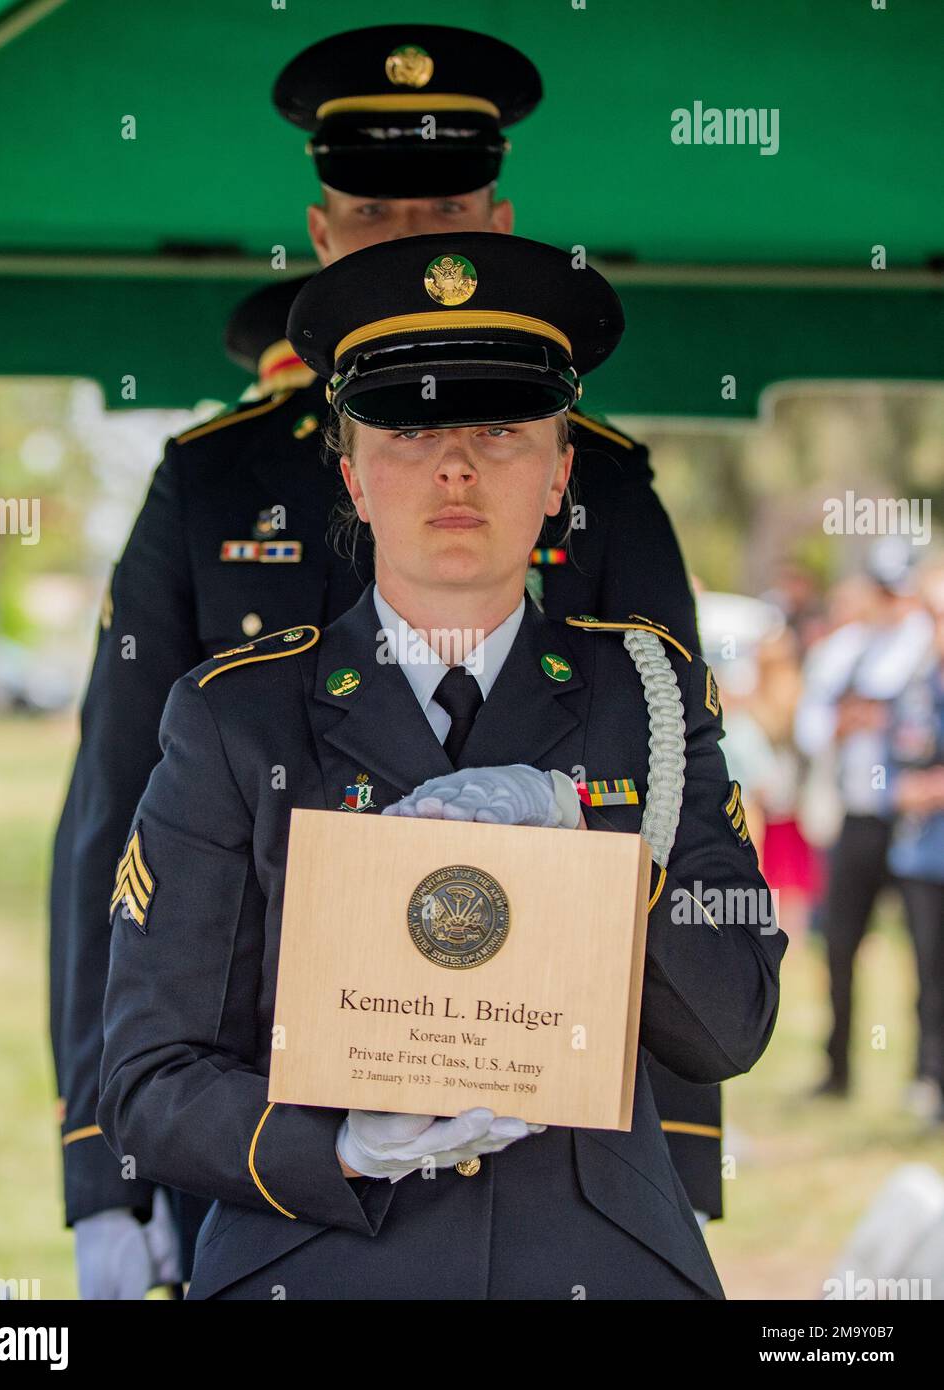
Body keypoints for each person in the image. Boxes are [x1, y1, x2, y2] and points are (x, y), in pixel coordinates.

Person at [53, 23, 709, 1299]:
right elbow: (114, 826)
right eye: (375, 208)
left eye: (448, 205)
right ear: (319, 227)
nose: (415, 236)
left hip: (565, 1151)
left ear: (498, 213)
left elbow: (679, 800)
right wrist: (103, 1167)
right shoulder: (211, 479)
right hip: (280, 1137)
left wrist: (670, 1168)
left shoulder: (606, 481)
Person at [795, 540, 933, 1096]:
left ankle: (927, 1074)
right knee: (840, 944)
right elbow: (811, 725)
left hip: (912, 823)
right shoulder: (845, 651)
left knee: (928, 952)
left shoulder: (924, 646)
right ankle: (838, 1068)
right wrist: (844, 724)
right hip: (857, 817)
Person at [886, 561, 944, 1123]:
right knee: (927, 977)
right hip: (926, 859)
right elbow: (894, 783)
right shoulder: (916, 691)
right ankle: (929, 1077)